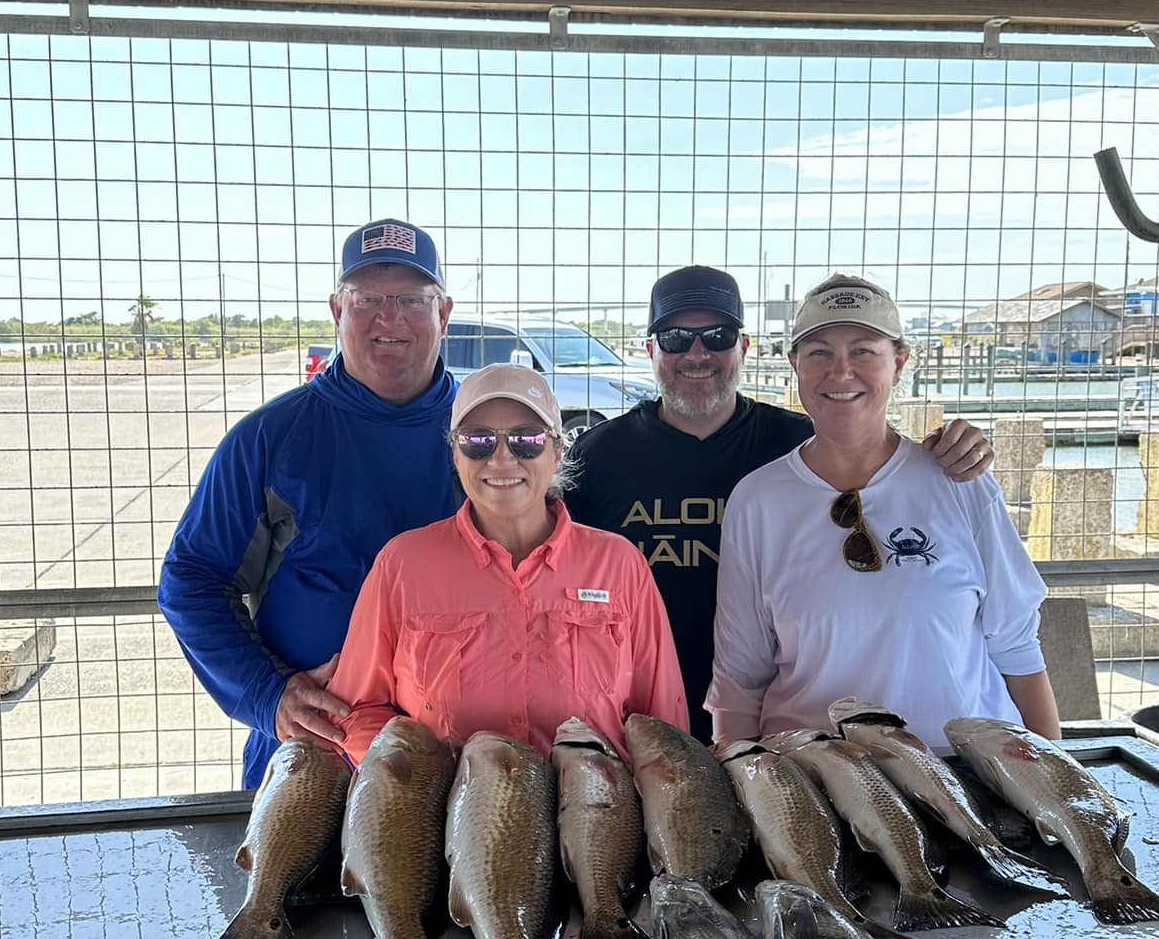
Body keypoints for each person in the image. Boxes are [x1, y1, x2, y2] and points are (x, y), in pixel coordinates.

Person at [565, 264, 996, 742]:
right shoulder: (598, 456)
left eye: (718, 335)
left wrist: (954, 449)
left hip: (772, 721)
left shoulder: (799, 442)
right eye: (674, 338)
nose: (697, 352)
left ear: (743, 348)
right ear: (649, 350)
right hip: (637, 712)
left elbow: (881, 464)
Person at [158, 218, 456, 789]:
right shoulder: (270, 439)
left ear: (442, 314)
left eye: (411, 300)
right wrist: (267, 693)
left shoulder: (488, 438)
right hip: (313, 756)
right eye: (367, 298)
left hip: (457, 756)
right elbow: (190, 579)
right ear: (337, 311)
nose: (388, 317)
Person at [709, 273, 1059, 753]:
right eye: (819, 353)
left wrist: (1058, 777)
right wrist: (742, 783)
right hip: (814, 778)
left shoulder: (960, 481)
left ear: (899, 362)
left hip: (963, 771)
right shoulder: (757, 499)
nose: (841, 371)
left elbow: (1016, 645)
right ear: (795, 365)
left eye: (863, 350)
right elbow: (740, 676)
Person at [331, 364, 687, 765]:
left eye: (526, 440)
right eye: (478, 440)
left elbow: (663, 724)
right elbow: (358, 711)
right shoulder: (402, 564)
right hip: (449, 822)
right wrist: (422, 785)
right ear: (455, 453)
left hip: (595, 818)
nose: (501, 458)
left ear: (556, 452)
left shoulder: (619, 564)